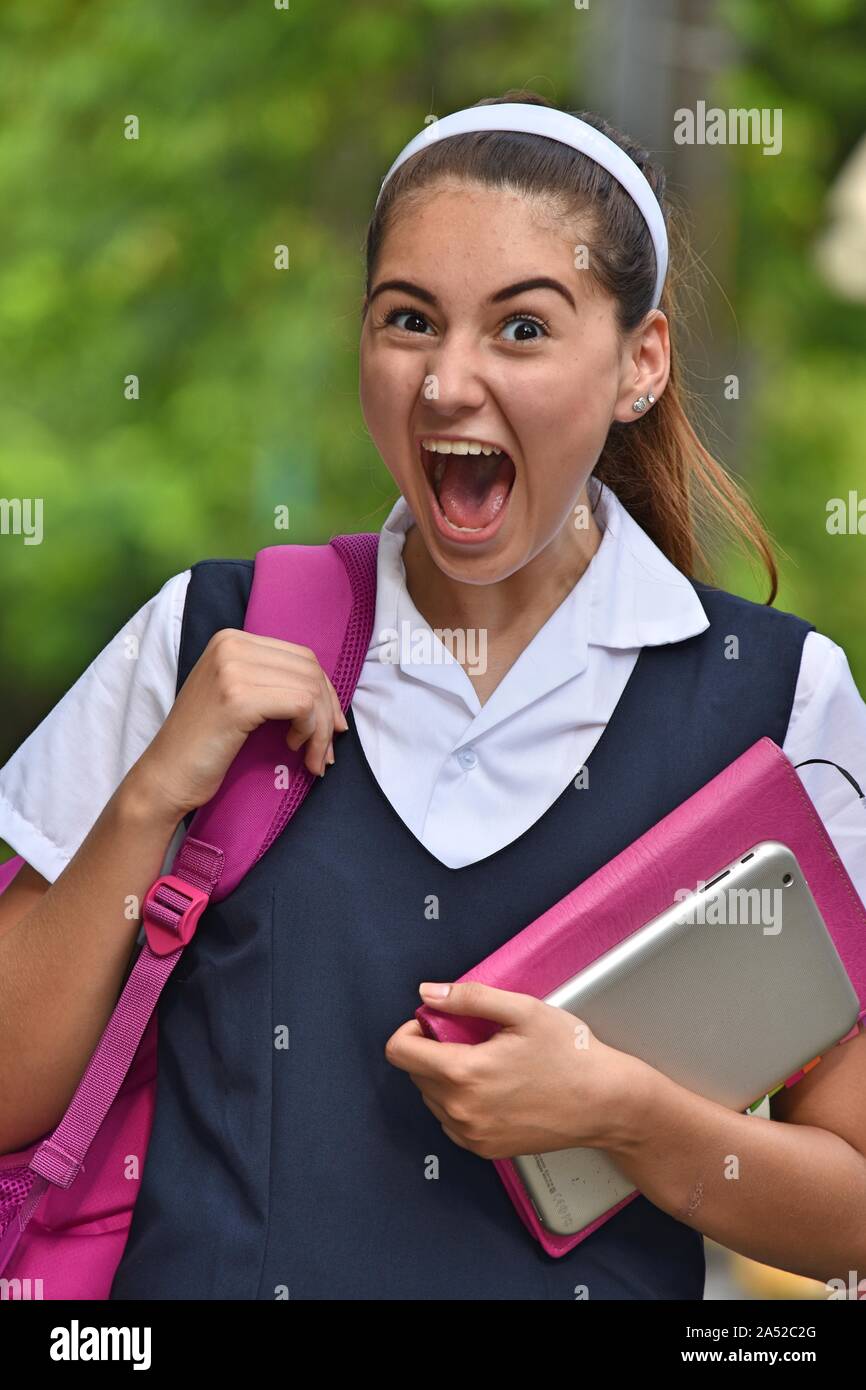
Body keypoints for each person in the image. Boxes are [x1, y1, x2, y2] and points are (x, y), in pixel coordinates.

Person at [1, 90, 865, 1301]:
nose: (446, 382)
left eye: (521, 329)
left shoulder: (775, 702)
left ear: (640, 364)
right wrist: (151, 794)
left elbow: (851, 1207)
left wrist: (623, 1114)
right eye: (408, 320)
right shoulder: (207, 637)